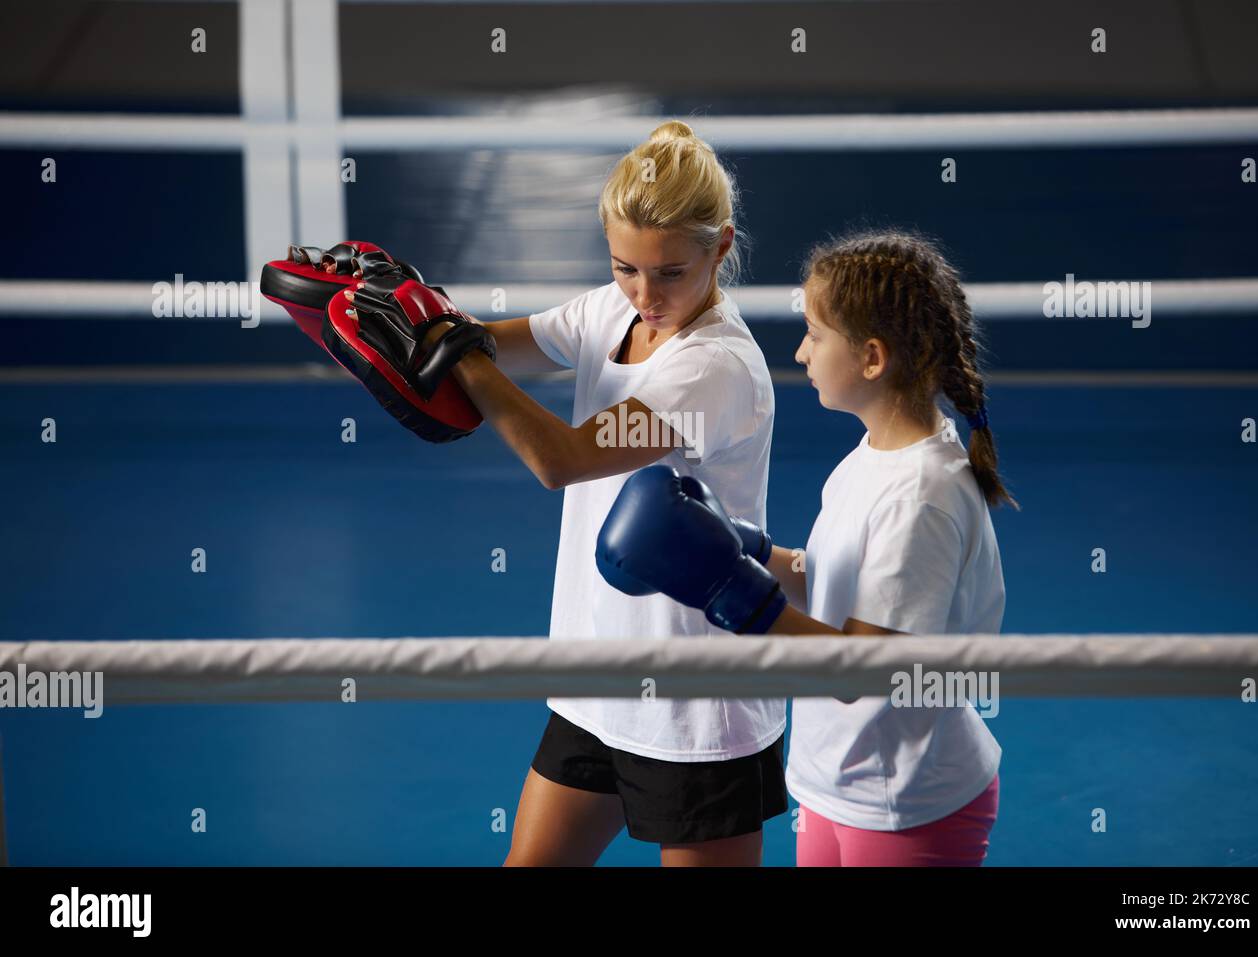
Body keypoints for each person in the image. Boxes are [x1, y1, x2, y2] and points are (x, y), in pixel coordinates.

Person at [357, 120, 785, 866]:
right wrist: (408, 324)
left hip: (695, 706)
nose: (645, 295)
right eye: (626, 266)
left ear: (720, 247)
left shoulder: (715, 369)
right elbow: (487, 345)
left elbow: (562, 457)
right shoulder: (609, 310)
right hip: (597, 681)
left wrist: (459, 355)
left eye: (671, 273)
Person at [596, 230, 1015, 866]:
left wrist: (735, 597)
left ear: (872, 358)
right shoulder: (874, 454)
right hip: (835, 779)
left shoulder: (919, 499)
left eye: (816, 334)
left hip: (906, 799)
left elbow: (867, 672)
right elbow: (831, 580)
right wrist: (742, 550)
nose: (800, 351)